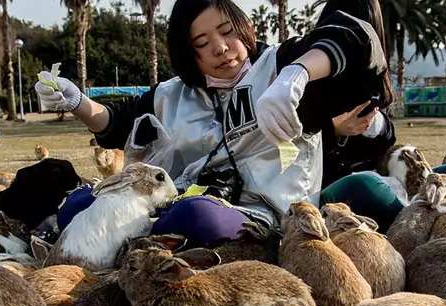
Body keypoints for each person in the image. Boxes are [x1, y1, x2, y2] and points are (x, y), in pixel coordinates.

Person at [39, 0, 393, 246]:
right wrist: (77, 102)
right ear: (188, 54)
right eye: (203, 43)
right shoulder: (171, 94)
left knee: (196, 217)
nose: (221, 48)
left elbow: (360, 40)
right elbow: (114, 124)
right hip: (173, 203)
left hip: (267, 217)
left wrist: (296, 75)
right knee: (77, 205)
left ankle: (131, 236)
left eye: (227, 32)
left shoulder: (277, 66)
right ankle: (136, 232)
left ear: (244, 27)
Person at [312, 0, 446, 229]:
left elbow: (387, 142)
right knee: (364, 183)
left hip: (384, 179)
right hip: (340, 186)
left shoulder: (370, 75)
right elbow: (296, 150)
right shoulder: (310, 78)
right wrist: (334, 131)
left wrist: (378, 126)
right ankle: (420, 212)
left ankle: (418, 203)